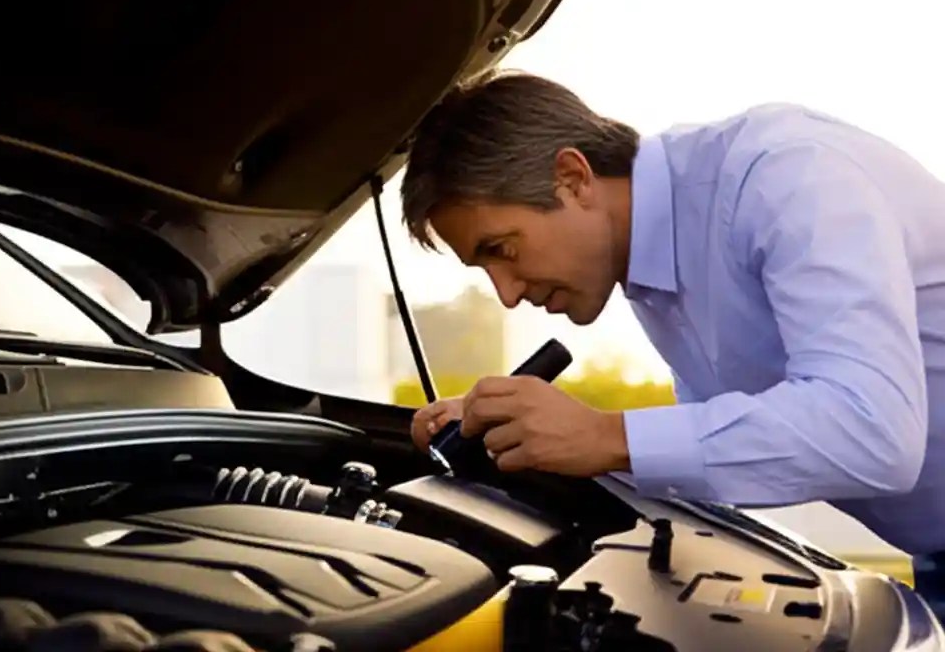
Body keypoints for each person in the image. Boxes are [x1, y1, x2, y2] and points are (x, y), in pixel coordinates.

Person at [401, 70, 945, 612]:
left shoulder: (785, 176)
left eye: (502, 249)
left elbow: (873, 432)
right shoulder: (652, 267)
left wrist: (605, 434)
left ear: (572, 179)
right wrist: (527, 437)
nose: (506, 293)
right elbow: (729, 451)